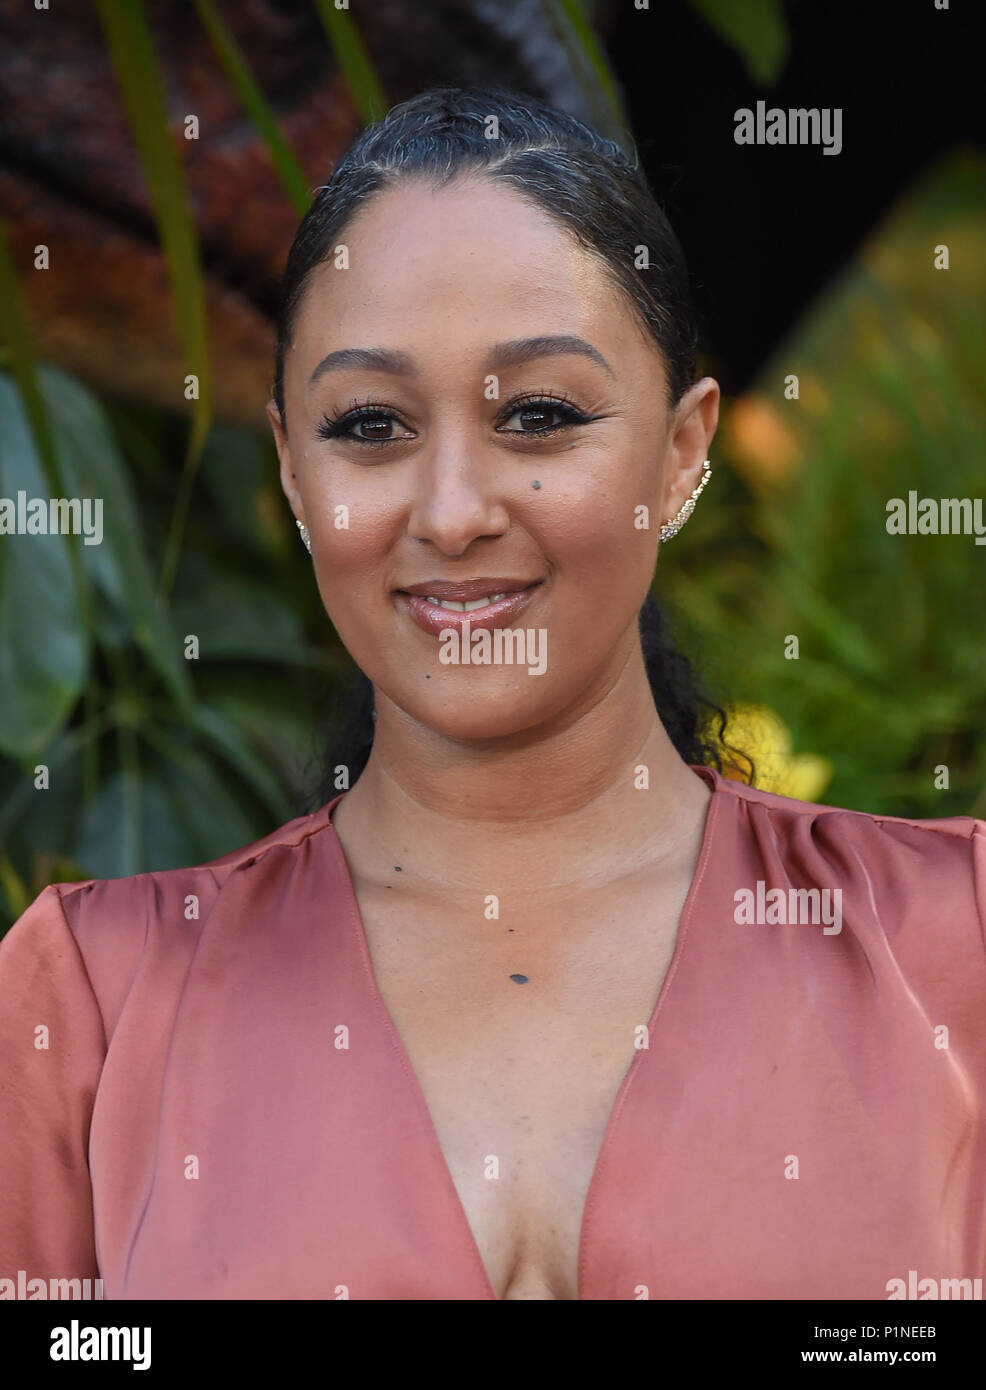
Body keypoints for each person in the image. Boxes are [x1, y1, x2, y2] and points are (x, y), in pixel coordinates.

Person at [1, 86, 983, 1303]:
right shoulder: (92, 999)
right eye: (369, 424)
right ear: (296, 478)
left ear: (679, 456)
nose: (455, 511)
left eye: (538, 415)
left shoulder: (949, 942)